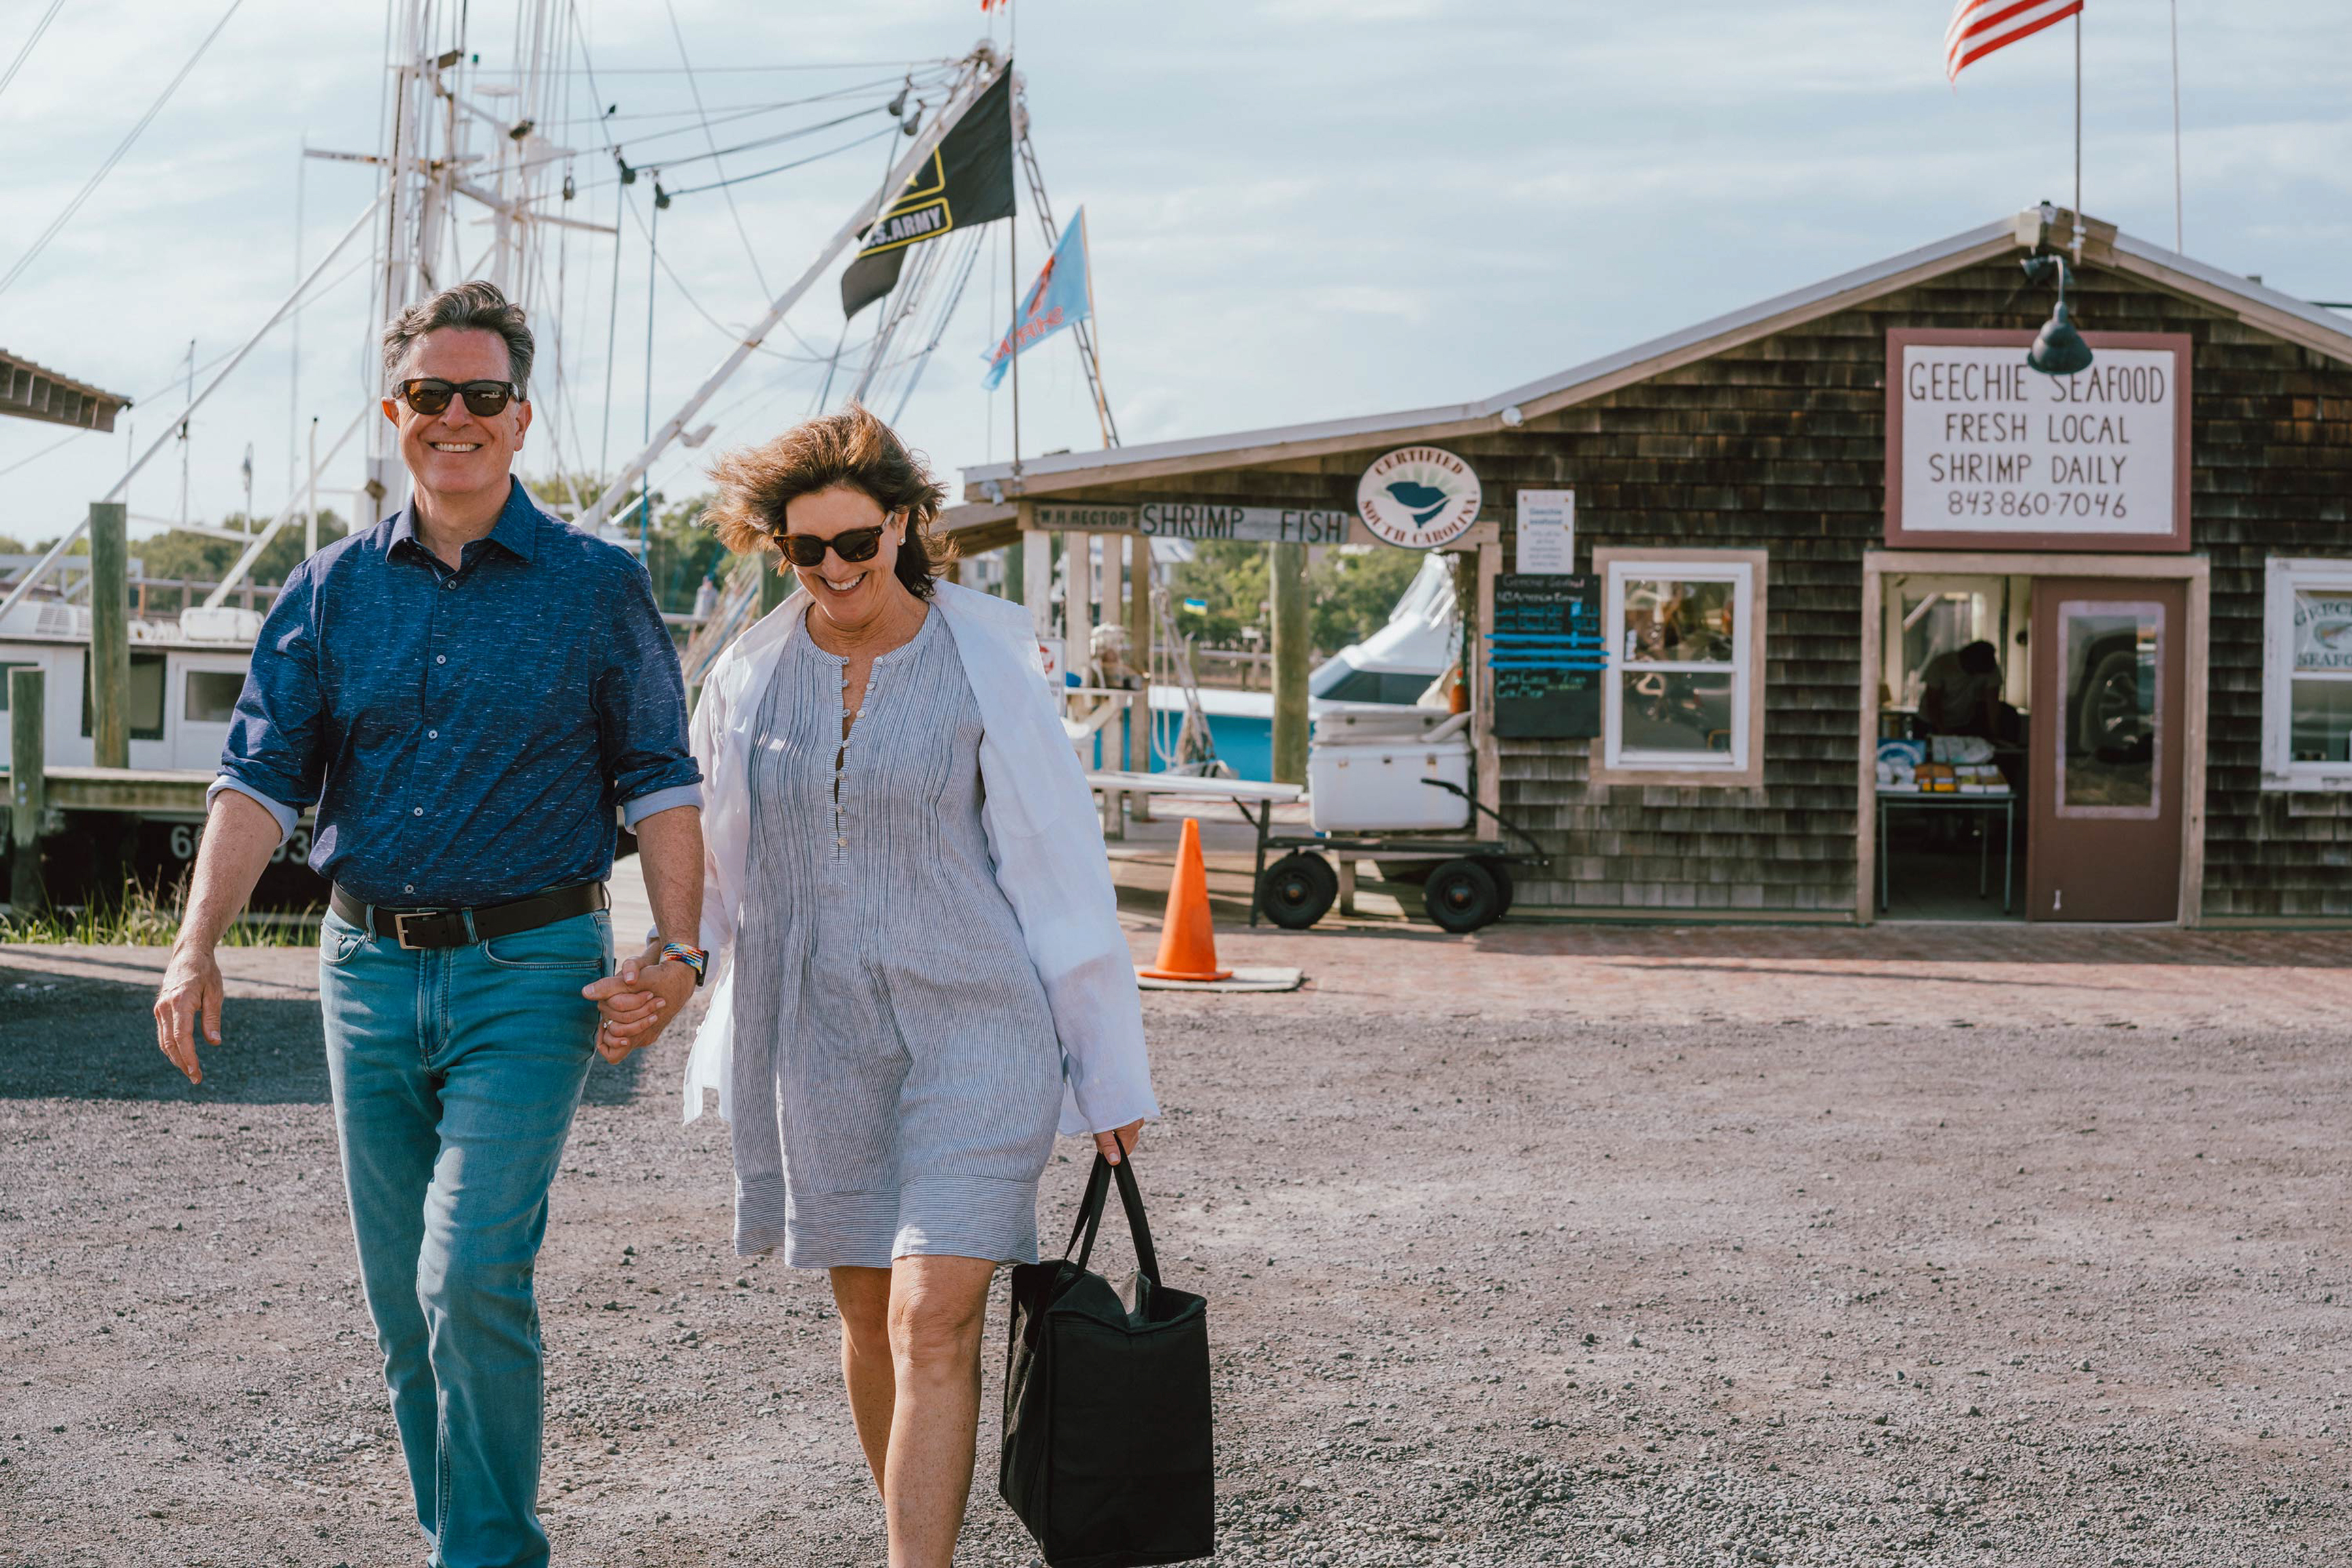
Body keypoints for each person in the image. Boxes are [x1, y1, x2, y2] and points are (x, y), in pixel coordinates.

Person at [152, 280, 707, 1568]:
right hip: (363, 972)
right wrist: (195, 943)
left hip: (535, 971)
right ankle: (461, 1539)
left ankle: (490, 1557)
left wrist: (680, 950)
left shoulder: (596, 588)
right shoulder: (332, 589)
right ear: (394, 412)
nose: (455, 417)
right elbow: (256, 777)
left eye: (484, 396)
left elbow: (662, 783)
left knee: (469, 1275)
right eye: (430, 395)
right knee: (409, 1311)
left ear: (523, 420)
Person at [592, 405, 1157, 1568]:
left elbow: (1060, 868)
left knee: (929, 1312)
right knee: (866, 1318)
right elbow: (718, 863)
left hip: (978, 1023)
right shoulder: (748, 680)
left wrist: (1108, 1070)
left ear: (902, 525)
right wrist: (672, 964)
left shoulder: (986, 663)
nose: (837, 570)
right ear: (780, 551)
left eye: (858, 541)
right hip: (816, 1035)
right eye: (808, 551)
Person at [1918, 639, 2003, 740]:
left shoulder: (1989, 667)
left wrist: (1995, 734)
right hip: (1929, 721)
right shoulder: (1942, 665)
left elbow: (1993, 703)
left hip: (1963, 722)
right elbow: (1933, 702)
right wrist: (1941, 729)